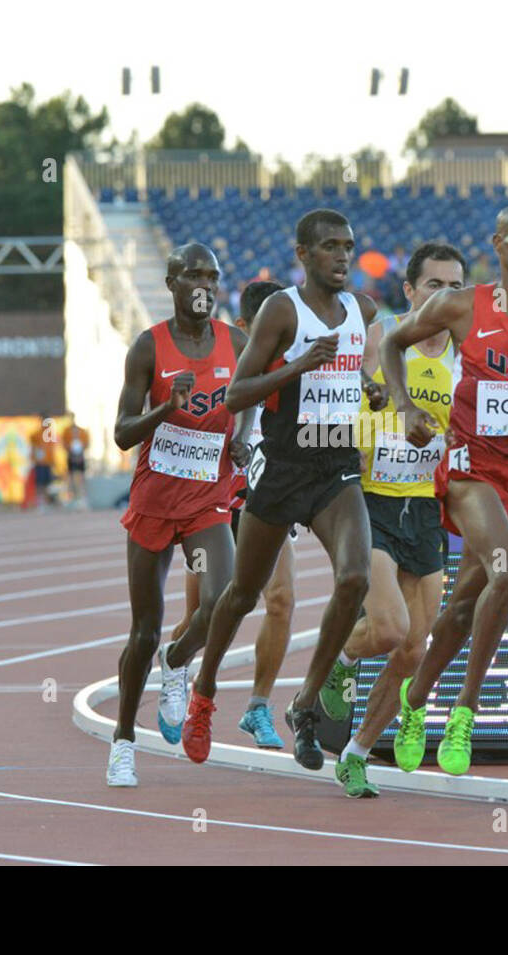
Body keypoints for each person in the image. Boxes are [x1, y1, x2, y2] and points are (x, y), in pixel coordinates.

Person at [380, 203, 508, 776]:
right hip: (471, 472)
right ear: (498, 244)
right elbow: (390, 345)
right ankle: (465, 713)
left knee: (461, 608)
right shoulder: (458, 306)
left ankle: (413, 703)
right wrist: (403, 406)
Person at [181, 208, 383, 771]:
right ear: (303, 254)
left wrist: (369, 387)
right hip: (283, 468)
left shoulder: (360, 311)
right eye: (330, 247)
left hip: (337, 464)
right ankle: (205, 692)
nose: (343, 256)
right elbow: (236, 394)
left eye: (348, 246)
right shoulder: (280, 311)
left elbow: (345, 368)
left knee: (355, 577)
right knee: (242, 596)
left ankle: (305, 702)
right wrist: (296, 367)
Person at [321, 241, 466, 797]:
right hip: (371, 501)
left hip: (426, 510)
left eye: (456, 286)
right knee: (388, 629)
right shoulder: (382, 338)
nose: (446, 296)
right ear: (410, 291)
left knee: (412, 651)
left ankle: (356, 753)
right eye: (434, 285)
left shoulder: (466, 355)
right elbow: (339, 389)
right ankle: (339, 659)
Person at [106, 243, 253, 788]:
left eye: (212, 277)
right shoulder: (149, 348)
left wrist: (244, 439)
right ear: (171, 283)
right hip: (152, 502)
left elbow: (255, 396)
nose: (204, 285)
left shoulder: (235, 343)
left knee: (223, 597)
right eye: (194, 275)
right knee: (141, 631)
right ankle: (124, 741)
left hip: (207, 499)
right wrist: (166, 408)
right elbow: (122, 433)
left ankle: (179, 659)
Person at [162, 280, 296, 751]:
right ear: (243, 327)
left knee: (280, 599)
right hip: (215, 506)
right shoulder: (216, 368)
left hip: (272, 497)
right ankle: (176, 664)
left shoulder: (292, 370)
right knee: (207, 610)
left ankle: (258, 707)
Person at [62, 415, 91, 506]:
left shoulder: (82, 431)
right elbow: (64, 444)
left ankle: (82, 498)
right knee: (71, 478)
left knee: (81, 477)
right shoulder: (66, 431)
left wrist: (80, 453)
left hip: (80, 457)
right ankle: (72, 498)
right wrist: (71, 452)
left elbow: (86, 444)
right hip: (71, 457)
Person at [28, 414, 53, 509]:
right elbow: (33, 447)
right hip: (39, 463)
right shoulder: (36, 434)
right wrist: (33, 459)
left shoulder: (50, 435)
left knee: (47, 483)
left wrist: (52, 461)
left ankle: (46, 502)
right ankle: (39, 502)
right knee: (39, 483)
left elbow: (52, 450)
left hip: (47, 463)